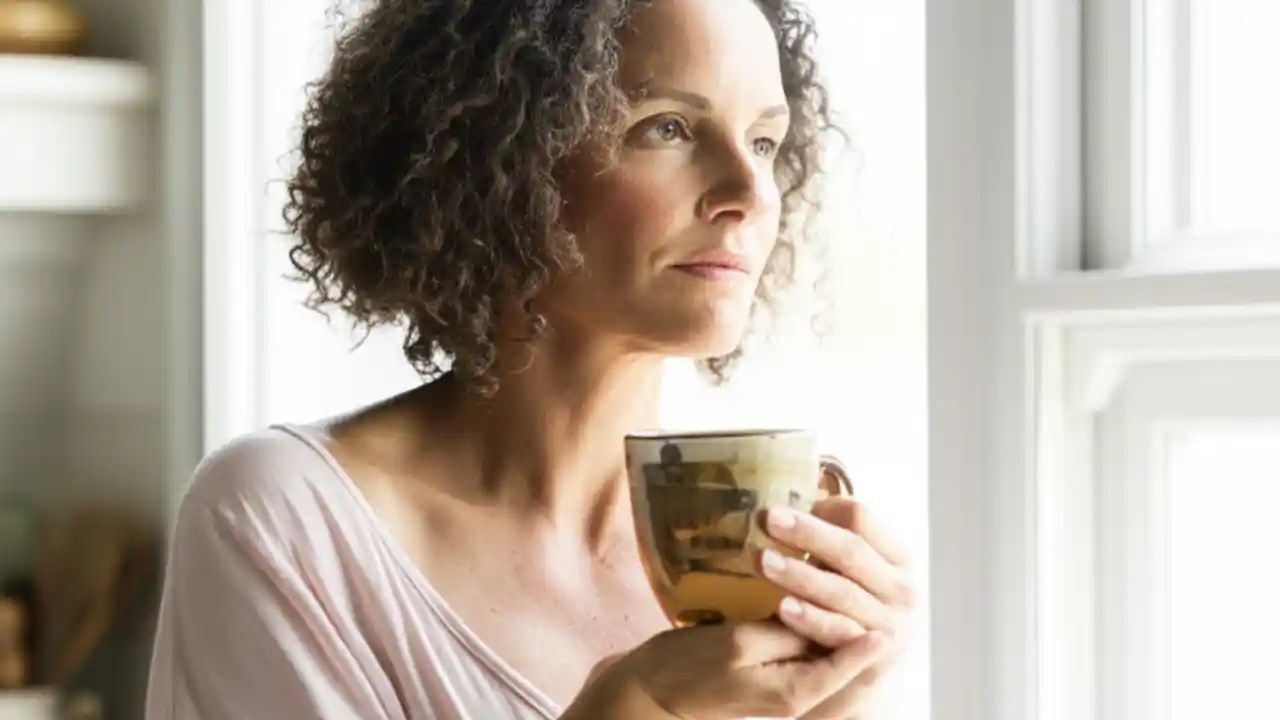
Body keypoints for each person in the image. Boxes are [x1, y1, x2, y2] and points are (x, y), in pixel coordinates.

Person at [145, 0, 918, 718]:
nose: (748, 192)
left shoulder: (772, 568)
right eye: (669, 128)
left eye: (763, 141)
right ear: (502, 159)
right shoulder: (285, 517)